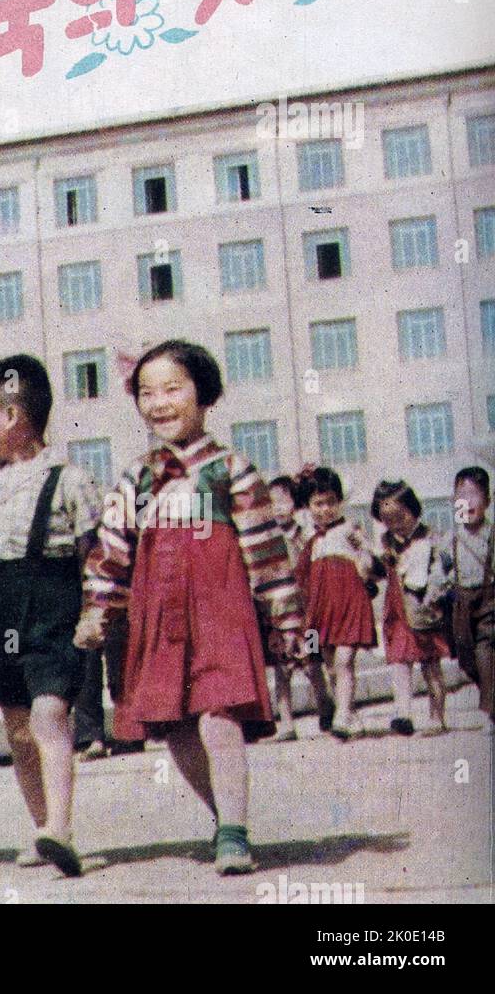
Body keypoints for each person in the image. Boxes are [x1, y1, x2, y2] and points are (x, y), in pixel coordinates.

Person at [75, 339, 305, 876]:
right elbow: (112, 547)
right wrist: (99, 609)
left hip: (221, 611)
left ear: (204, 395)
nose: (159, 403)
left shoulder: (232, 471)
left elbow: (267, 550)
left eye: (172, 388)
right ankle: (225, 817)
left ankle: (234, 831)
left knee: (219, 712)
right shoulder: (135, 477)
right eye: (147, 393)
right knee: (174, 726)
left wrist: (286, 617)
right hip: (158, 618)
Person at [0, 355, 102, 876]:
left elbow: (92, 555)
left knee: (49, 714)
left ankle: (61, 826)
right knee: (17, 727)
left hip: (53, 607)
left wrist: (97, 610)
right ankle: (41, 828)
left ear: (11, 417)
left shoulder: (71, 479)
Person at [296, 467, 379, 741]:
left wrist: (364, 555)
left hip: (349, 602)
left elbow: (369, 560)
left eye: (331, 502)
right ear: (308, 506)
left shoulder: (348, 528)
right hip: (322, 608)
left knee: (344, 661)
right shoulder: (309, 537)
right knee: (331, 664)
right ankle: (348, 712)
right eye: (318, 504)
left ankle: (341, 715)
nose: (325, 509)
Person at [371, 480, 451, 736]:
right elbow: (380, 573)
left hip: (423, 609)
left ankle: (437, 716)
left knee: (430, 664)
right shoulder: (386, 542)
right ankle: (403, 713)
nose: (395, 524)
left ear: (413, 509)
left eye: (399, 517)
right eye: (387, 519)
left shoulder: (430, 537)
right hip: (396, 609)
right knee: (399, 663)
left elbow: (442, 572)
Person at [265, 474, 334, 738]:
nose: (278, 506)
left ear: (295, 504)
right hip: (279, 612)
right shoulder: (267, 537)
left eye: (284, 500)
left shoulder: (305, 535)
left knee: (313, 663)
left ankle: (325, 705)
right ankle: (287, 722)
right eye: (273, 502)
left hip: (307, 612)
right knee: (282, 669)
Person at [450, 467, 494, 728]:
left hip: (490, 600)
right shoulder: (451, 538)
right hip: (462, 605)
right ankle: (491, 696)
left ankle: (490, 713)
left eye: (473, 495)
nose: (466, 502)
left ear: (487, 501)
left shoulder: (492, 534)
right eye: (460, 495)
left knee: (484, 652)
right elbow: (440, 571)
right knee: (467, 658)